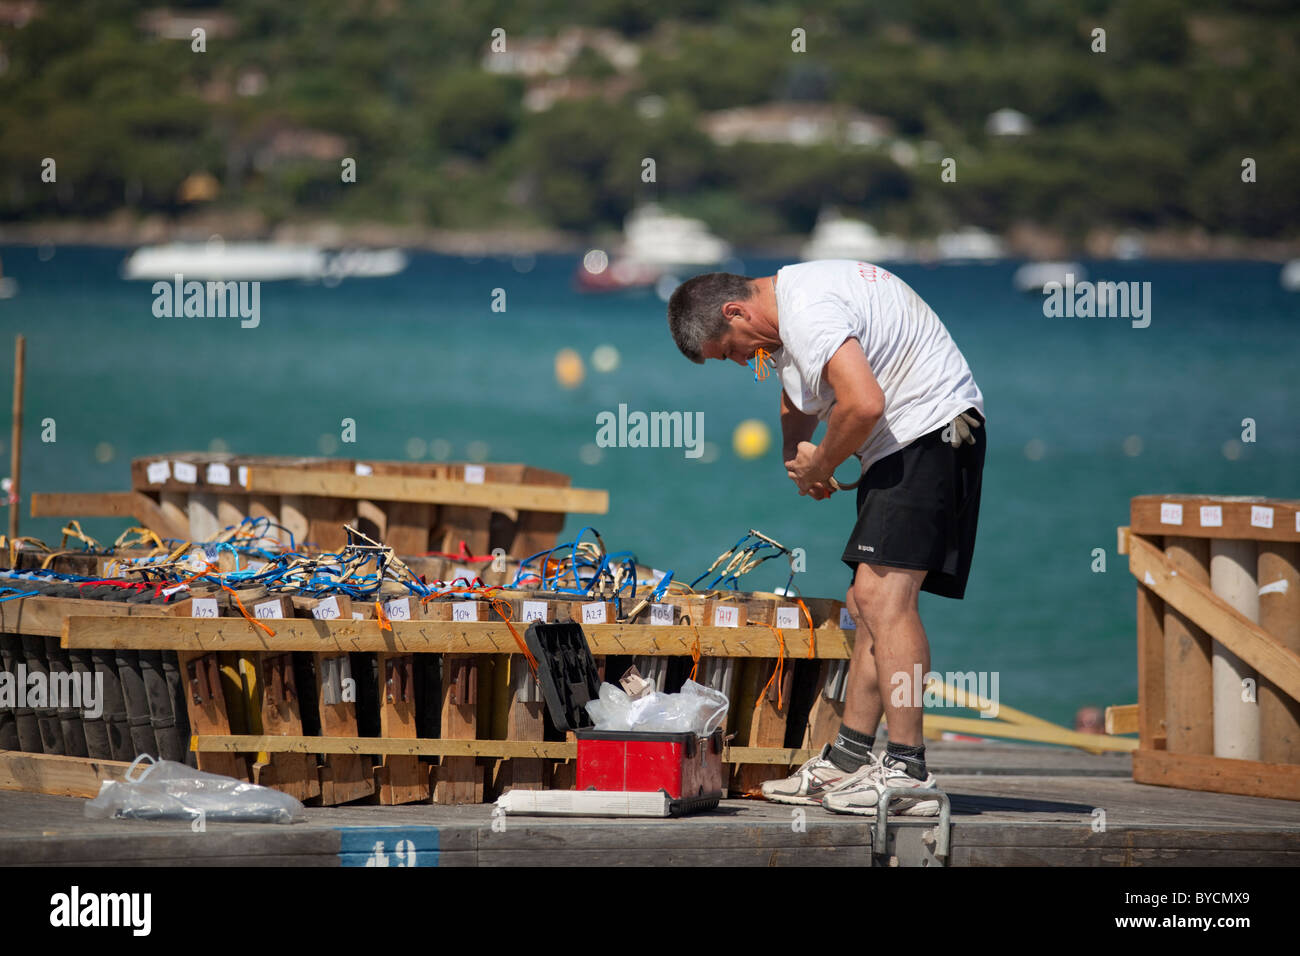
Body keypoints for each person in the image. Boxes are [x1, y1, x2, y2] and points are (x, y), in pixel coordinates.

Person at [666, 261, 986, 816]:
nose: (744, 362)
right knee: (866, 602)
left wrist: (823, 467)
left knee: (888, 601)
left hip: (932, 434)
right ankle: (848, 760)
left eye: (731, 350)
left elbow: (863, 404)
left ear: (735, 312)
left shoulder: (809, 311)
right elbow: (799, 398)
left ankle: (909, 771)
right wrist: (797, 454)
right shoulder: (784, 315)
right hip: (903, 444)